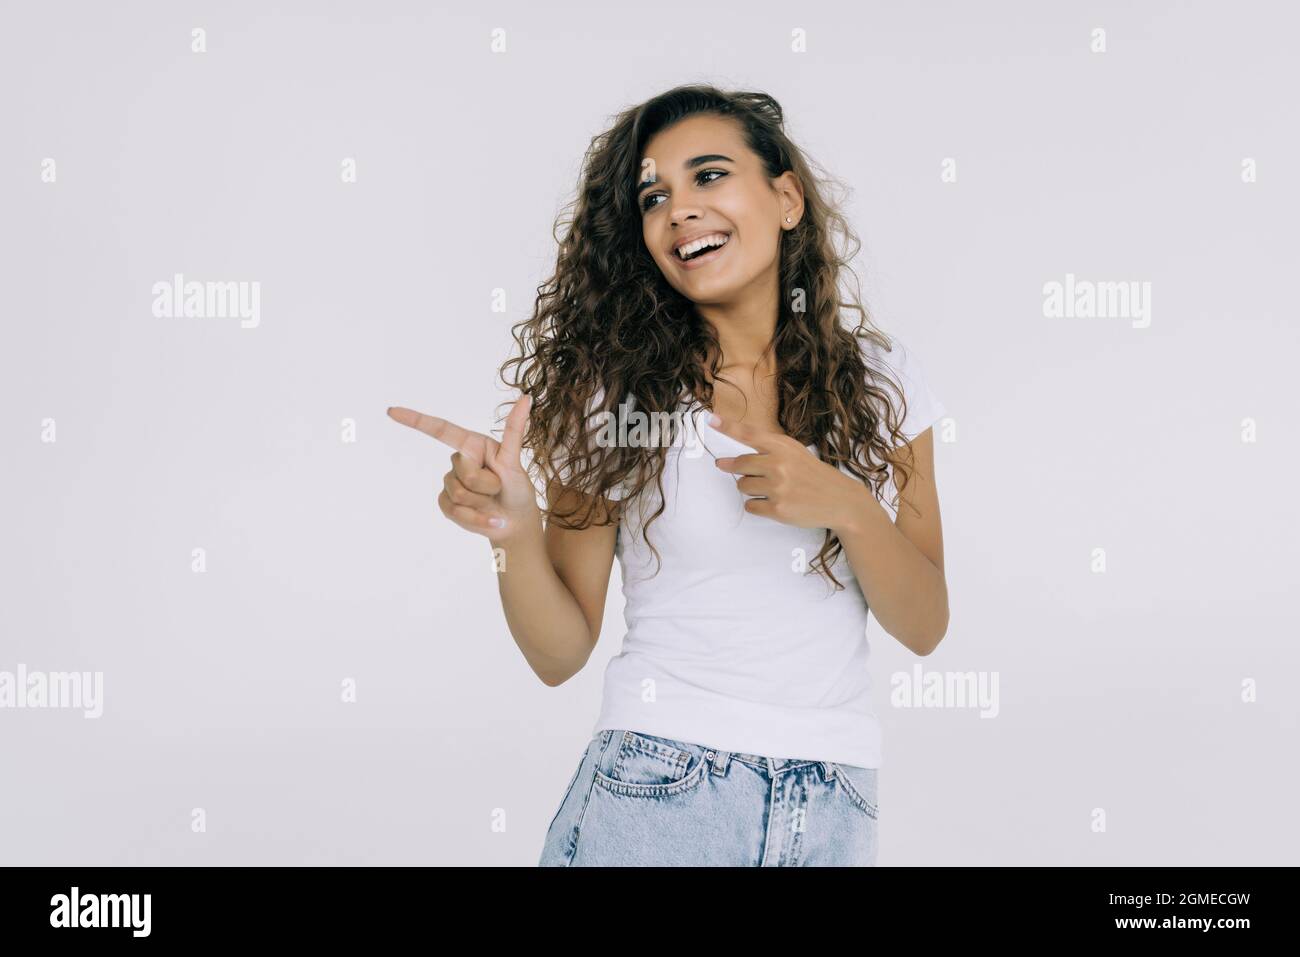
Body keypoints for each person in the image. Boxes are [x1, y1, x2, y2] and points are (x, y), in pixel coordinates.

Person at [388, 84, 950, 866]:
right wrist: (512, 529)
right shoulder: (612, 398)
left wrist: (849, 506)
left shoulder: (885, 382)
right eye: (655, 196)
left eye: (709, 176)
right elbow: (559, 654)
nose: (680, 208)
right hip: (657, 795)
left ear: (786, 198)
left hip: (835, 805)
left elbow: (924, 623)